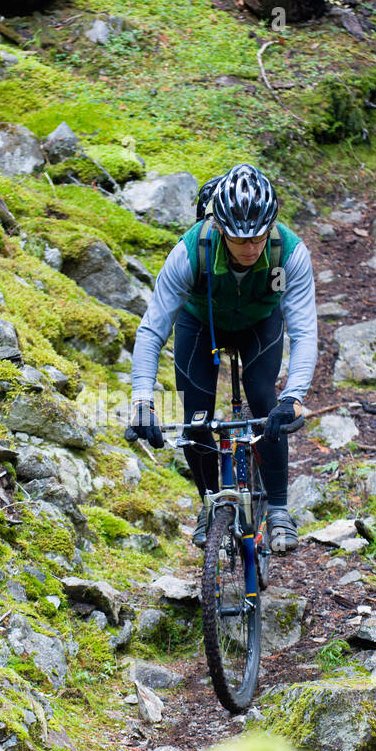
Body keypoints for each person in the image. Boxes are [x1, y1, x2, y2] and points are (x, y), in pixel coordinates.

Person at [127, 163, 318, 551]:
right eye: (239, 240)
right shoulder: (190, 253)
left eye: (258, 238)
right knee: (196, 416)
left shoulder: (288, 253)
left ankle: (278, 508)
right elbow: (151, 330)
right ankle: (208, 503)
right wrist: (142, 401)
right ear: (218, 228)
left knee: (265, 401)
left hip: (259, 323)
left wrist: (294, 397)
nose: (251, 249)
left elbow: (304, 332)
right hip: (201, 324)